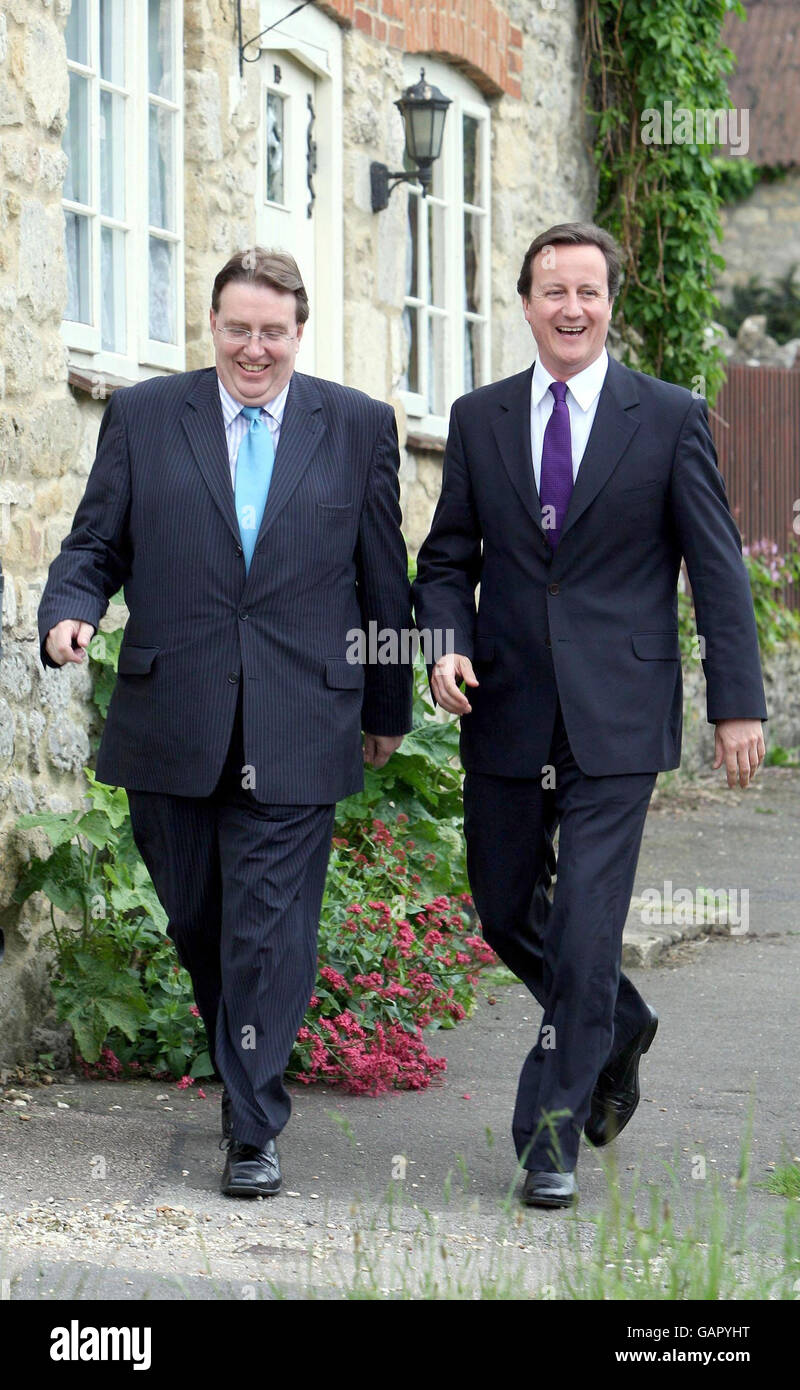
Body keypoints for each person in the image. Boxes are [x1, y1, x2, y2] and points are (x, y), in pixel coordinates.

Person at [38, 248, 413, 1198]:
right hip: (175, 713)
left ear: (300, 332)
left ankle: (253, 1126)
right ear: (213, 328)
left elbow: (384, 580)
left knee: (267, 925)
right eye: (239, 329)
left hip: (300, 716)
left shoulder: (357, 427)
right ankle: (241, 1055)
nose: (256, 348)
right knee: (201, 918)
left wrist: (385, 708)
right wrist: (68, 609)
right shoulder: (145, 415)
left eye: (274, 332)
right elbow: (96, 541)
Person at [411, 222, 766, 1208]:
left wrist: (735, 703)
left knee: (581, 927)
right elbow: (447, 558)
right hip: (508, 706)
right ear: (523, 303)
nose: (571, 308)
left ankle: (550, 1134)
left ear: (608, 305)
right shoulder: (479, 420)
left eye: (588, 292)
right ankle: (619, 1016)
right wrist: (443, 640)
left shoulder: (666, 416)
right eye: (552, 291)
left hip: (618, 714)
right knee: (499, 905)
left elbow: (715, 564)